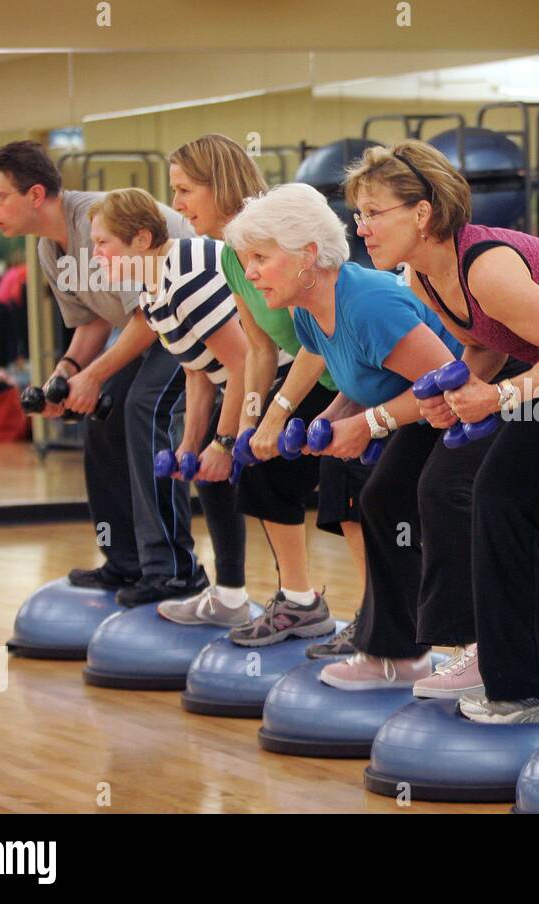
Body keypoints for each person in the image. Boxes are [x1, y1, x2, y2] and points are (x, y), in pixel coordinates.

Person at [345, 140, 539, 724]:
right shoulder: (422, 277)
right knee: (499, 491)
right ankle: (527, 683)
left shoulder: (487, 266)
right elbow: (487, 340)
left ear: (422, 213)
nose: (362, 227)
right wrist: (456, 395)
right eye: (358, 215)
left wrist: (498, 397)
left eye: (374, 212)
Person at [224, 182, 497, 691]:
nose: (252, 272)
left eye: (261, 257)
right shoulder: (307, 310)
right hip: (428, 410)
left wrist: (366, 426)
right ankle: (397, 654)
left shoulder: (369, 303)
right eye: (247, 259)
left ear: (308, 255)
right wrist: (330, 420)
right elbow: (359, 378)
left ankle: (485, 654)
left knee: (442, 498)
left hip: (482, 405)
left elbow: (456, 386)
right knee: (381, 499)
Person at [0, 141, 207, 606]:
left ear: (36, 194)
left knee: (142, 407)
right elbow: (93, 322)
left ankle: (175, 570)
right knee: (103, 418)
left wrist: (95, 376)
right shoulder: (50, 249)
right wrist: (63, 378)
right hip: (153, 328)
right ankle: (125, 562)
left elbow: (148, 314)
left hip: (193, 318)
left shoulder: (97, 223)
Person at [164, 134, 359, 645]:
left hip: (354, 373)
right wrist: (247, 424)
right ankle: (299, 602)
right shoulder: (231, 256)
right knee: (262, 471)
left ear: (219, 185)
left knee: (356, 499)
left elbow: (316, 342)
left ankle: (383, 617)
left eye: (186, 190)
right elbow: (258, 350)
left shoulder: (277, 242)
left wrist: (277, 414)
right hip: (316, 376)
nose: (178, 205)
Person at [86, 188, 252, 624]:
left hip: (282, 379)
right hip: (246, 381)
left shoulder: (186, 274)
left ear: (141, 239)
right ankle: (231, 597)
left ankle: (296, 599)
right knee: (214, 482)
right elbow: (198, 373)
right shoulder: (152, 294)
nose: (95, 255)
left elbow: (244, 364)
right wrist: (191, 447)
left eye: (103, 244)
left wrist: (225, 441)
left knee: (266, 486)